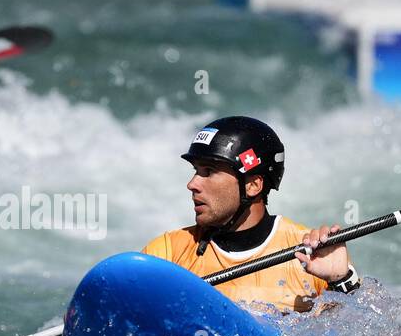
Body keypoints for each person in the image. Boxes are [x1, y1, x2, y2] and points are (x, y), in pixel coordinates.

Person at [143, 116, 361, 314]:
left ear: (253, 185)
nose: (192, 184)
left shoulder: (311, 255)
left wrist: (341, 281)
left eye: (208, 172)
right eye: (196, 171)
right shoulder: (166, 254)